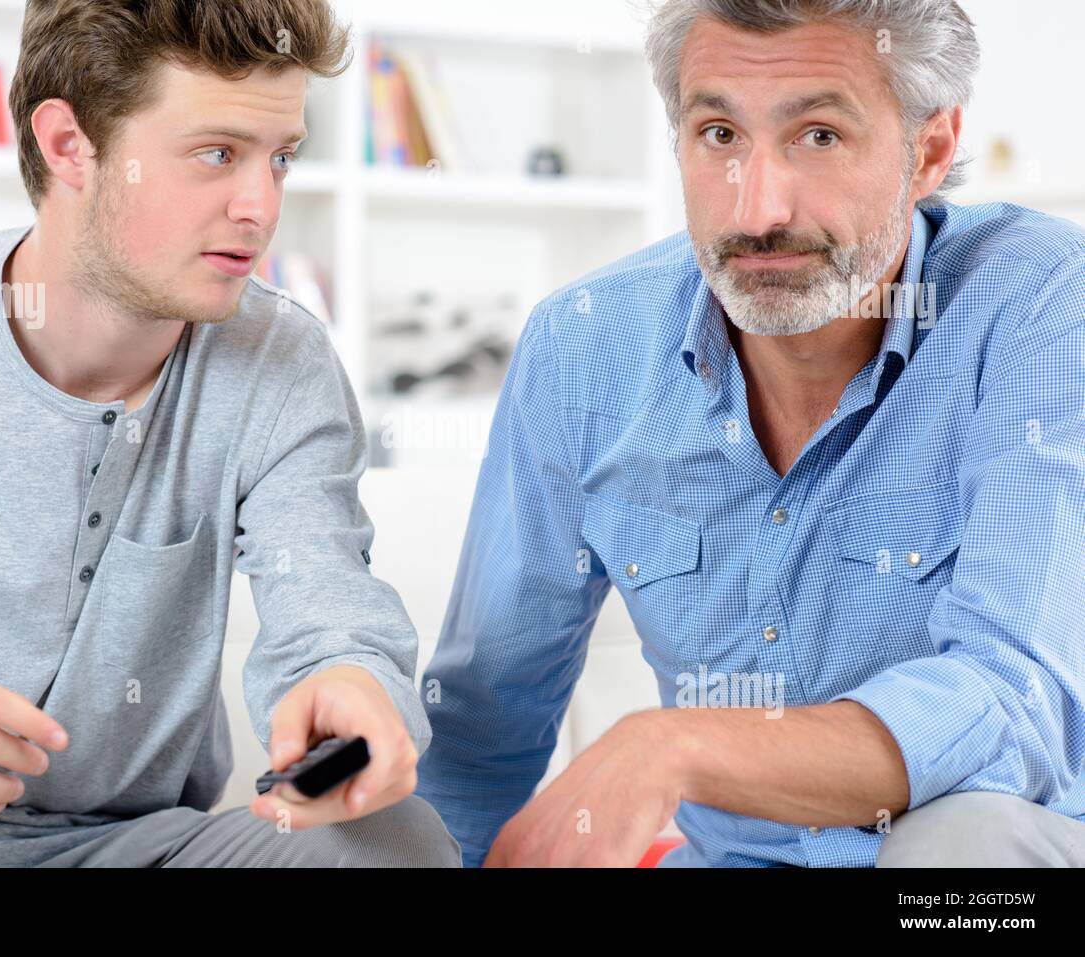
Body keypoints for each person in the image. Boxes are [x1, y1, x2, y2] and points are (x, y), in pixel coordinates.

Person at [0, 0, 458, 868]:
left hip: (138, 852)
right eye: (216, 154)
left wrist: (356, 691)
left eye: (280, 158)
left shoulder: (282, 361)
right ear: (69, 145)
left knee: (389, 845)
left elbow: (330, 619)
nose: (259, 207)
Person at [415, 0, 1085, 867]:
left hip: (990, 879)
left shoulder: (1043, 306)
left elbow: (1012, 698)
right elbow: (479, 733)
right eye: (720, 134)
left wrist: (678, 746)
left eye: (818, 135)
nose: (759, 209)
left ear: (930, 151)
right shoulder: (583, 347)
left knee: (960, 842)